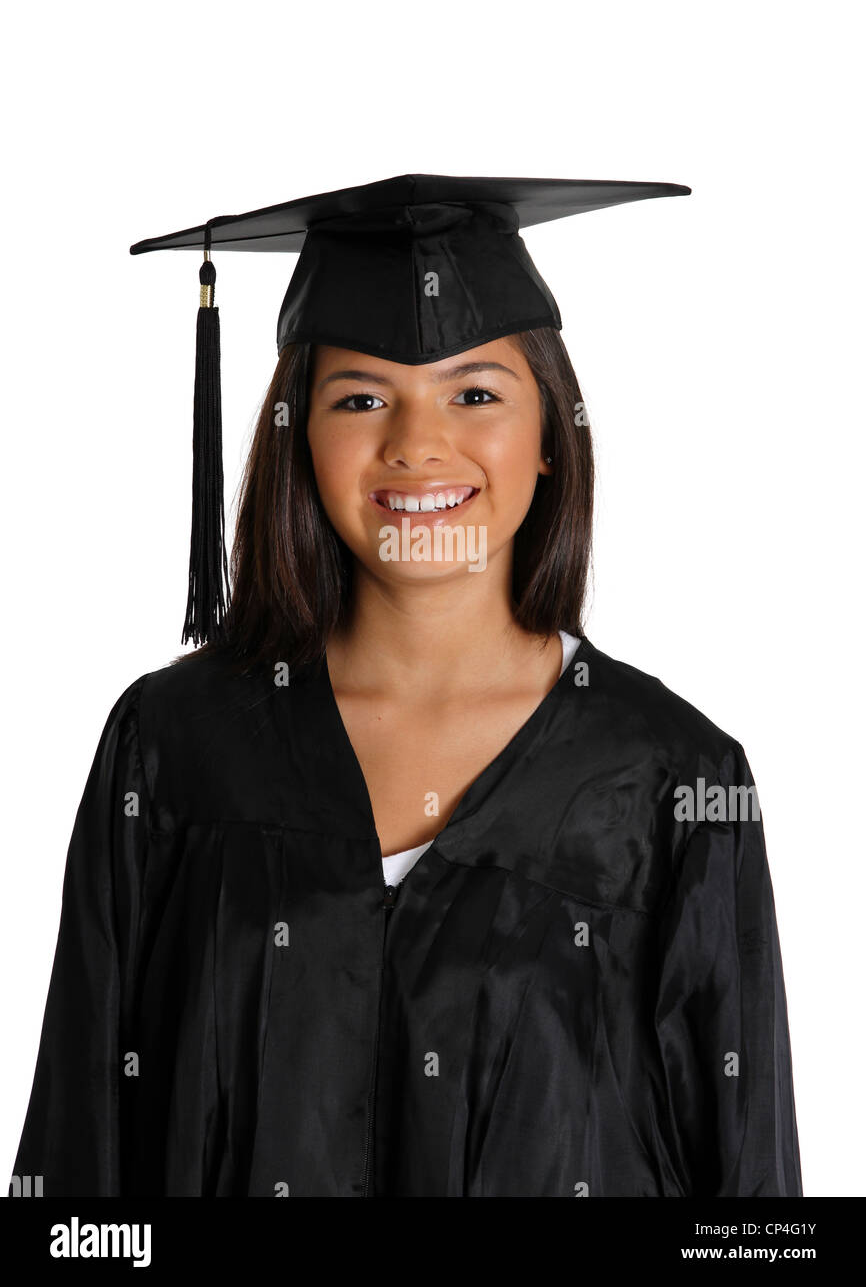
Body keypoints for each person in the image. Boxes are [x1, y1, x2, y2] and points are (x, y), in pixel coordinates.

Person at [10, 174, 802, 1196]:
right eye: (359, 397)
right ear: (297, 434)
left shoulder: (672, 781)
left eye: (474, 393)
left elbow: (747, 1191)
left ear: (551, 435)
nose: (417, 444)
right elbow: (81, 1154)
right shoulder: (171, 748)